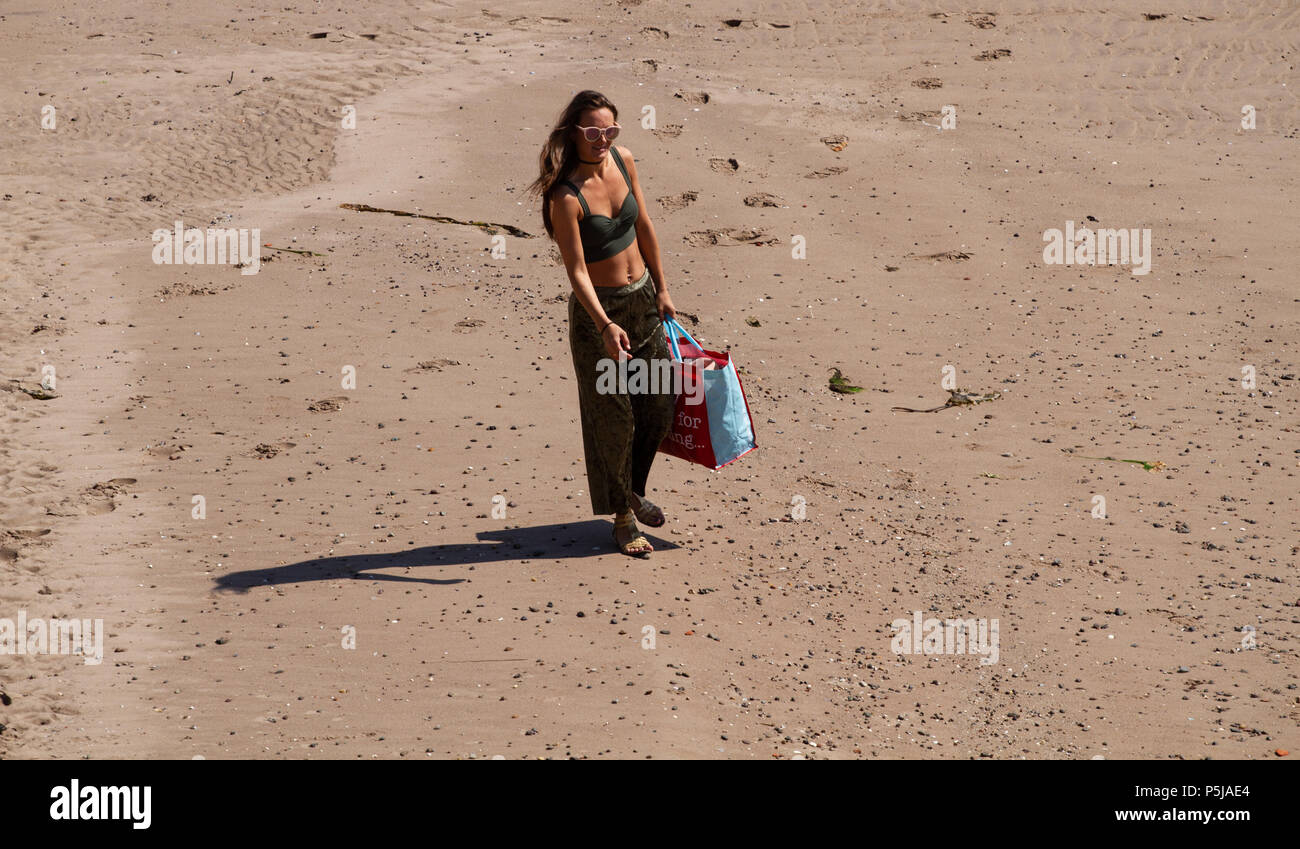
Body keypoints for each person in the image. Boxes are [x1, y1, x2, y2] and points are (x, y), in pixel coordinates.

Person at [527, 90, 677, 557]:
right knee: (615, 416)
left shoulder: (624, 160)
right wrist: (604, 324)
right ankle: (623, 518)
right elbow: (575, 270)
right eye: (593, 132)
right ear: (574, 132)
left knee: (658, 401)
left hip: (645, 301)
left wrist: (664, 288)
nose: (602, 139)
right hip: (602, 316)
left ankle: (630, 488)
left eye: (610, 130)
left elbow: (645, 224)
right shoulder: (564, 195)